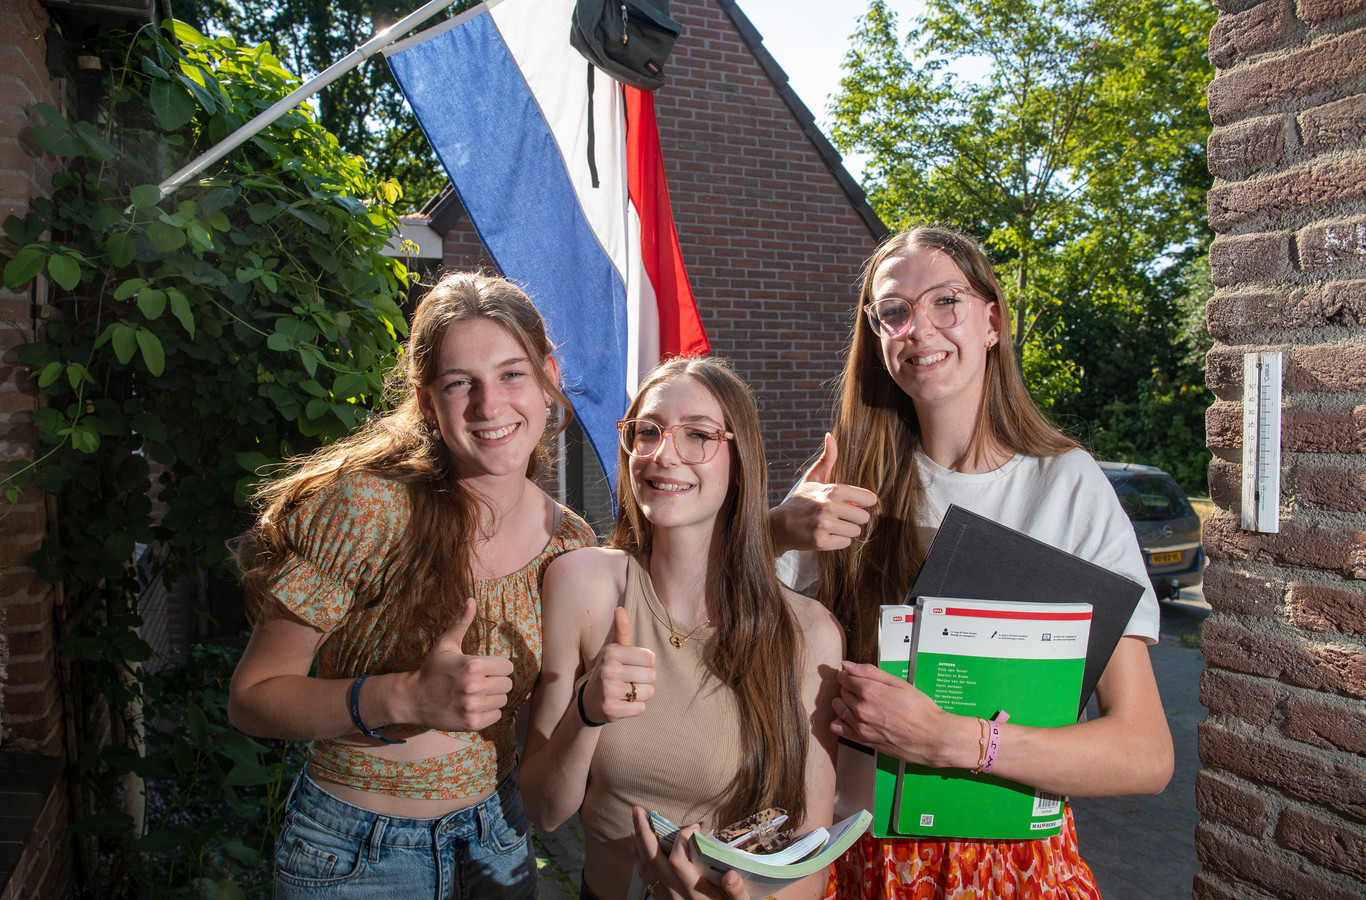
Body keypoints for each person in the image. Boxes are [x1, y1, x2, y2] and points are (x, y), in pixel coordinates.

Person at [768, 227, 1174, 898]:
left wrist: (956, 741)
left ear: (993, 321)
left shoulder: (1067, 485)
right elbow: (701, 615)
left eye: (945, 301)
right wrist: (774, 531)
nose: (918, 328)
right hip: (857, 859)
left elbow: (1146, 754)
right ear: (876, 336)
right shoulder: (844, 481)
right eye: (892, 311)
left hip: (1012, 865)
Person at [227, 271, 596, 898]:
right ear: (426, 401)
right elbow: (252, 699)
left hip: (498, 845)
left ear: (548, 378)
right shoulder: (366, 509)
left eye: (512, 374)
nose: (490, 405)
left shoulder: (570, 545)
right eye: (461, 384)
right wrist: (404, 698)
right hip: (355, 854)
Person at [521, 356, 844, 900]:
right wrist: (586, 711)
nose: (662, 454)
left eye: (698, 435)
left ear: (739, 463)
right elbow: (544, 810)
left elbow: (809, 860)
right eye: (647, 432)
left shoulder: (809, 634)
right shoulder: (583, 583)